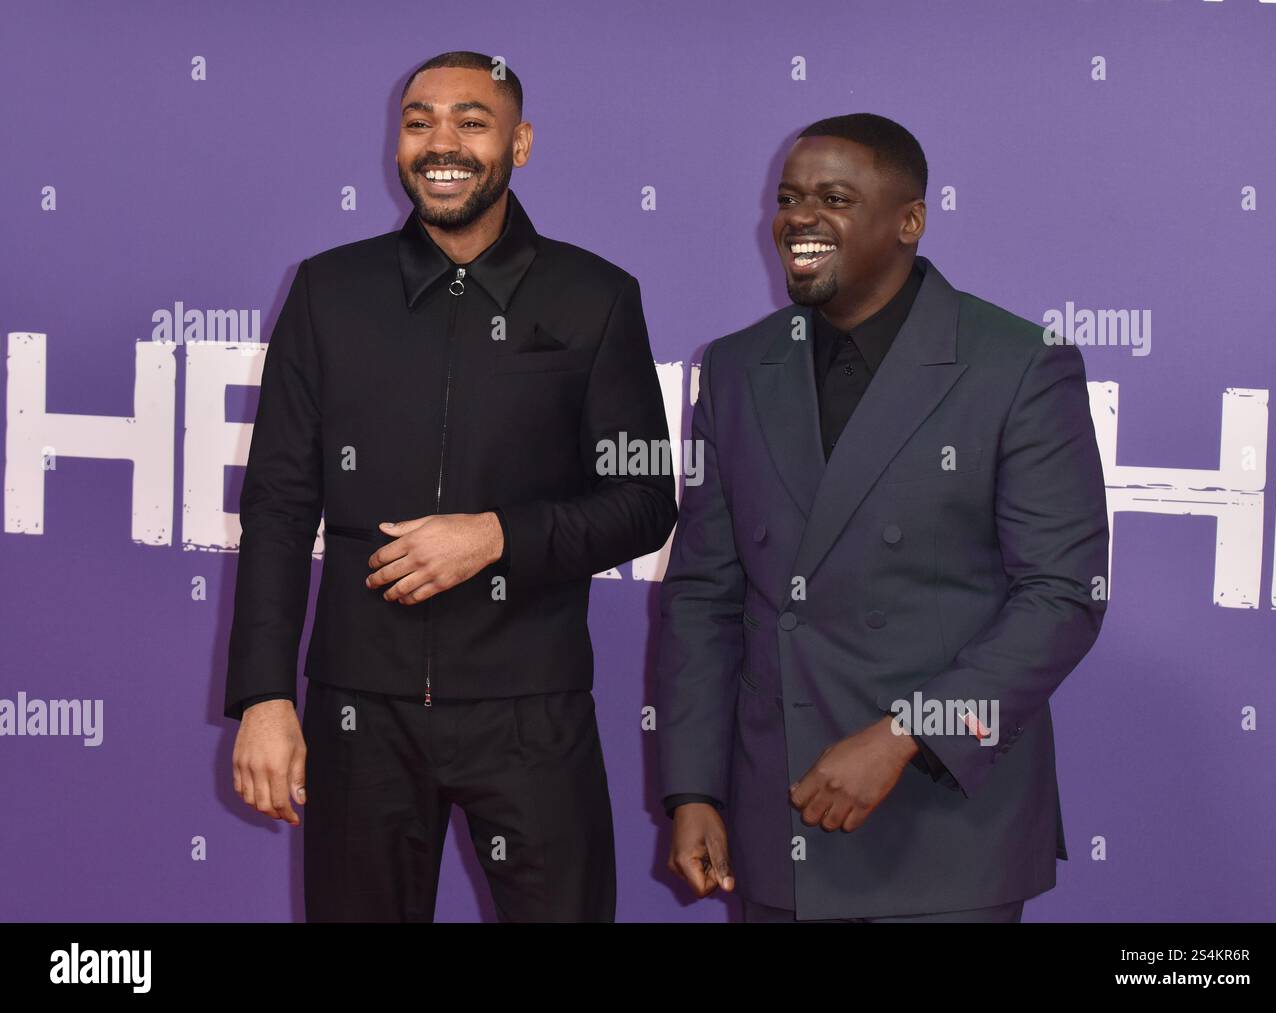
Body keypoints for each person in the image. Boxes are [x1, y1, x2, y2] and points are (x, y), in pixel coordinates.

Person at [226, 51, 676, 922]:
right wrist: (265, 696)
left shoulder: (595, 298)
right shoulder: (328, 292)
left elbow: (644, 501)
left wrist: (499, 535)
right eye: (419, 120)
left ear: (520, 143)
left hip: (532, 713)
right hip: (361, 713)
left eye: (472, 121)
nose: (443, 143)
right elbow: (278, 506)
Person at [656, 113, 1109, 922]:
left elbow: (1063, 595)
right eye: (790, 197)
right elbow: (703, 596)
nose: (800, 217)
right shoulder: (734, 368)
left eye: (834, 196)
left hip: (942, 828)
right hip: (779, 825)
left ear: (909, 221)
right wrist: (694, 787)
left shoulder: (1016, 365)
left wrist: (907, 734)